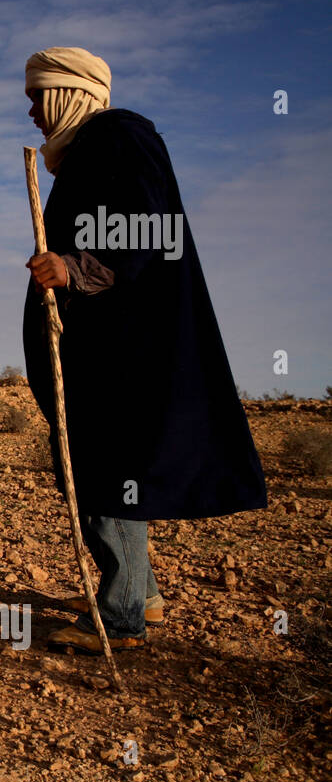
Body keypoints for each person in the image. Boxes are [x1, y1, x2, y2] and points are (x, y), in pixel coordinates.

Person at [20, 47, 267, 653]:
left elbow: (145, 228)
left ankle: (123, 611)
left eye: (35, 97)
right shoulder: (89, 152)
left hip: (123, 352)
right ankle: (140, 592)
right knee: (109, 461)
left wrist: (77, 269)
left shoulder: (119, 138)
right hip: (108, 346)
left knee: (106, 465)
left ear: (64, 93)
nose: (30, 112)